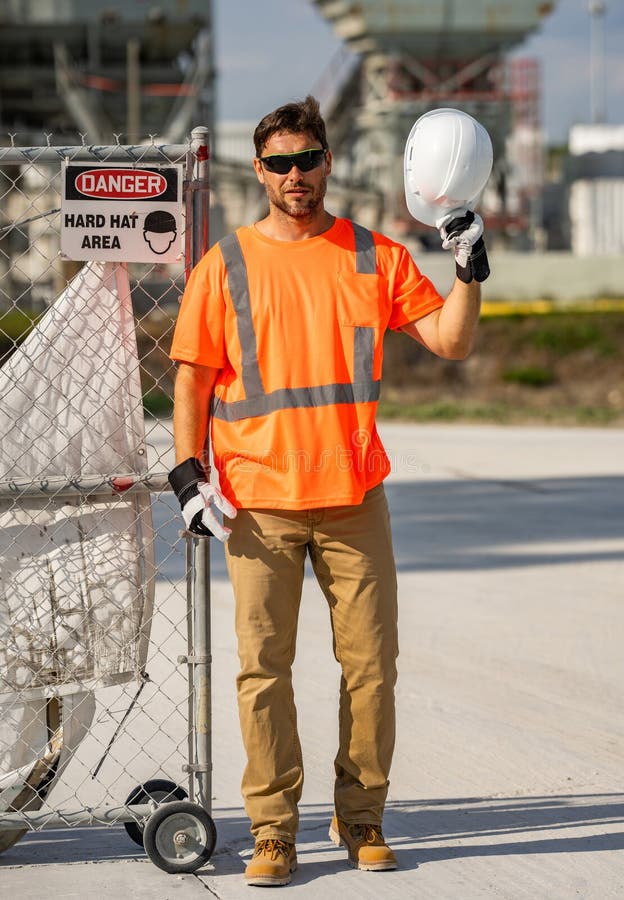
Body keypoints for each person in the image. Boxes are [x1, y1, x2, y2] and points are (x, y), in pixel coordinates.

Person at [168, 95, 488, 887]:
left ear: (328, 163)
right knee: (262, 671)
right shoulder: (228, 264)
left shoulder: (375, 257)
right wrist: (186, 475)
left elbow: (451, 340)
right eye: (279, 163)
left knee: (372, 667)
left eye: (307, 159)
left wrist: (469, 269)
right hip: (259, 502)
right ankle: (272, 832)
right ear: (260, 171)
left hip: (352, 498)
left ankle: (363, 818)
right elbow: (192, 377)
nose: (294, 175)